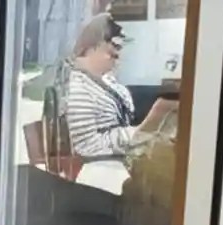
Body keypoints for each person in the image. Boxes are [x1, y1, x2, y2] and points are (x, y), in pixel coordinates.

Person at [65, 14, 177, 194]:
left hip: (121, 157)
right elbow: (87, 146)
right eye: (113, 52)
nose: (118, 58)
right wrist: (138, 132)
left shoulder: (104, 79)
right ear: (93, 47)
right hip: (101, 168)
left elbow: (125, 111)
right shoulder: (78, 87)